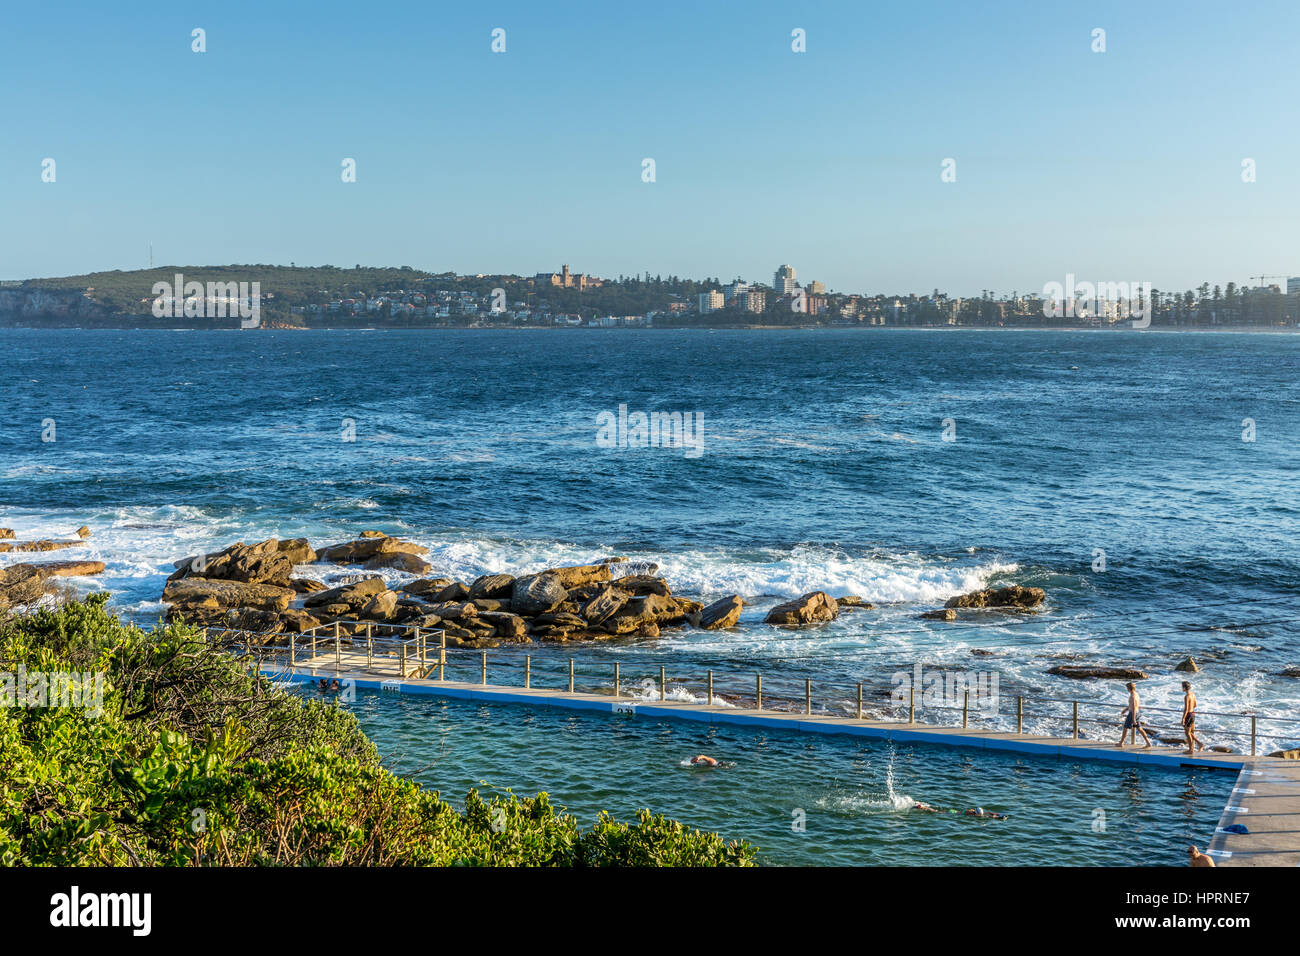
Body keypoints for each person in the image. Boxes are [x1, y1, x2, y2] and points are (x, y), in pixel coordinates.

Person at [1117, 681, 1153, 749]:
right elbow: (1133, 705)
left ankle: (1121, 743)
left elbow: (1133, 707)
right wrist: (1126, 709)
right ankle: (1148, 743)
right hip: (1137, 713)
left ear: (1128, 688)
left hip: (1132, 714)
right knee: (1140, 729)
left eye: (1127, 688)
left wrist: (1133, 719)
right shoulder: (1136, 694)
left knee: (1125, 728)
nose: (1126, 689)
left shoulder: (1132, 696)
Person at [1182, 681, 1205, 755]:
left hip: (1188, 715)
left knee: (1187, 733)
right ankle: (1199, 744)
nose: (1181, 688)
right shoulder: (1193, 694)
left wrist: (1183, 719)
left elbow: (1186, 709)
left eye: (1182, 686)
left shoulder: (1187, 696)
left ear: (1184, 688)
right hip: (1193, 714)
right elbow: (1195, 705)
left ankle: (1191, 749)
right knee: (1190, 732)